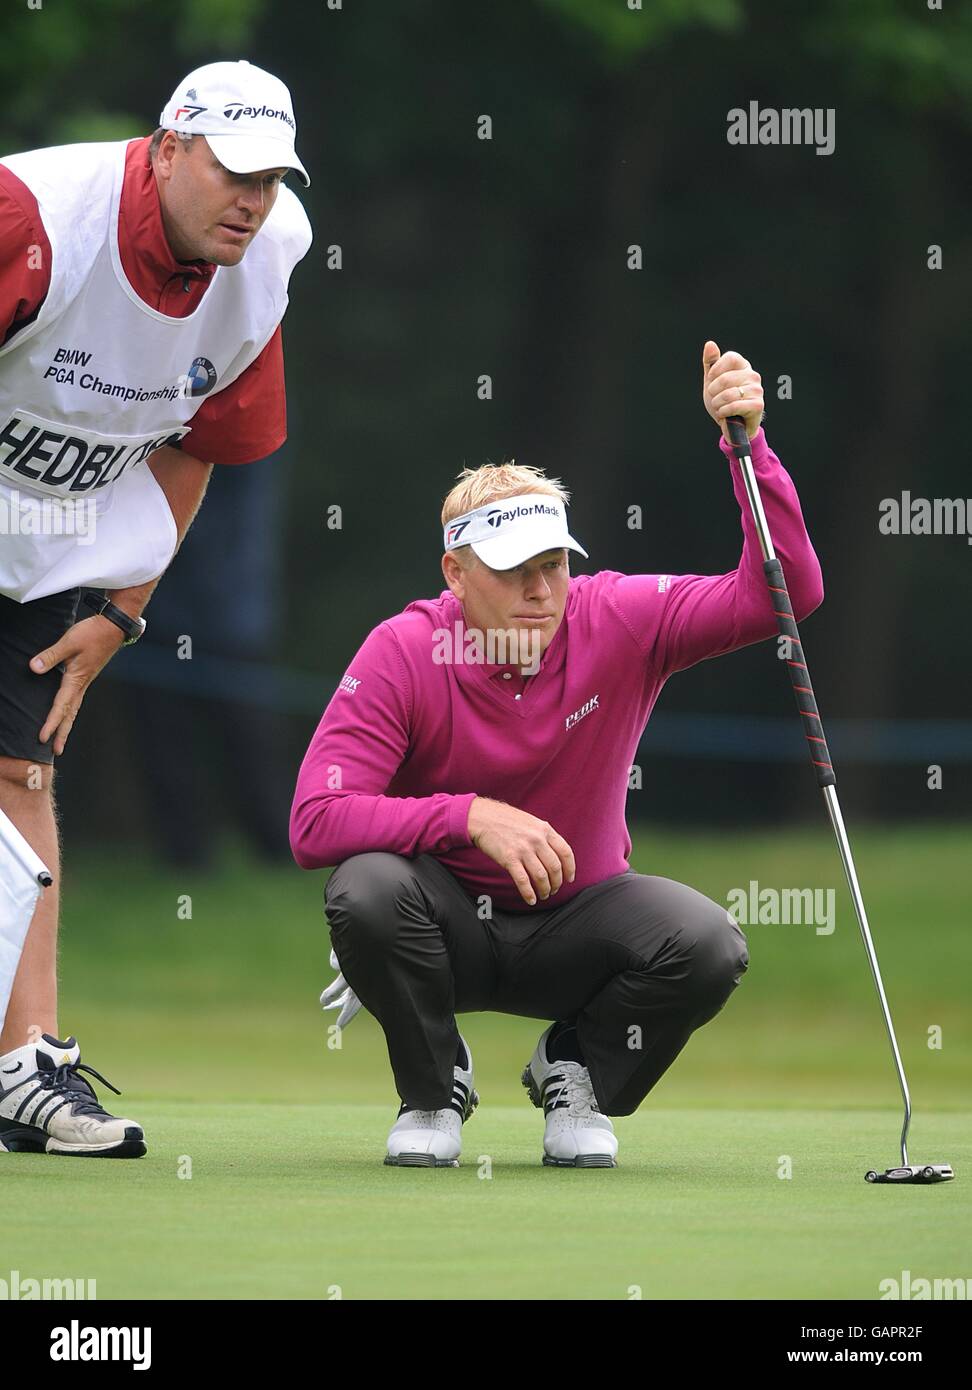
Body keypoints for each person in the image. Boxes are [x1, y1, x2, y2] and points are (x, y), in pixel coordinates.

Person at [290, 343, 825, 1169]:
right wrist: (468, 815)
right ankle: (434, 1090)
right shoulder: (404, 648)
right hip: (444, 926)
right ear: (455, 573)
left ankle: (577, 1066)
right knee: (365, 888)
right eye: (514, 572)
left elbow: (782, 595)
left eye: (554, 565)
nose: (542, 591)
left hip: (582, 923)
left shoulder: (618, 617)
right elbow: (315, 821)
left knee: (707, 941)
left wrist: (748, 447)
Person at [0, 60, 312, 1157]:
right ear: (168, 147)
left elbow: (199, 448)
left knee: (21, 772)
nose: (251, 200)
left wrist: (121, 613)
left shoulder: (261, 264)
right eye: (232, 172)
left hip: (41, 540)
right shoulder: (34, 217)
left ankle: (22, 1066)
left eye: (270, 179)